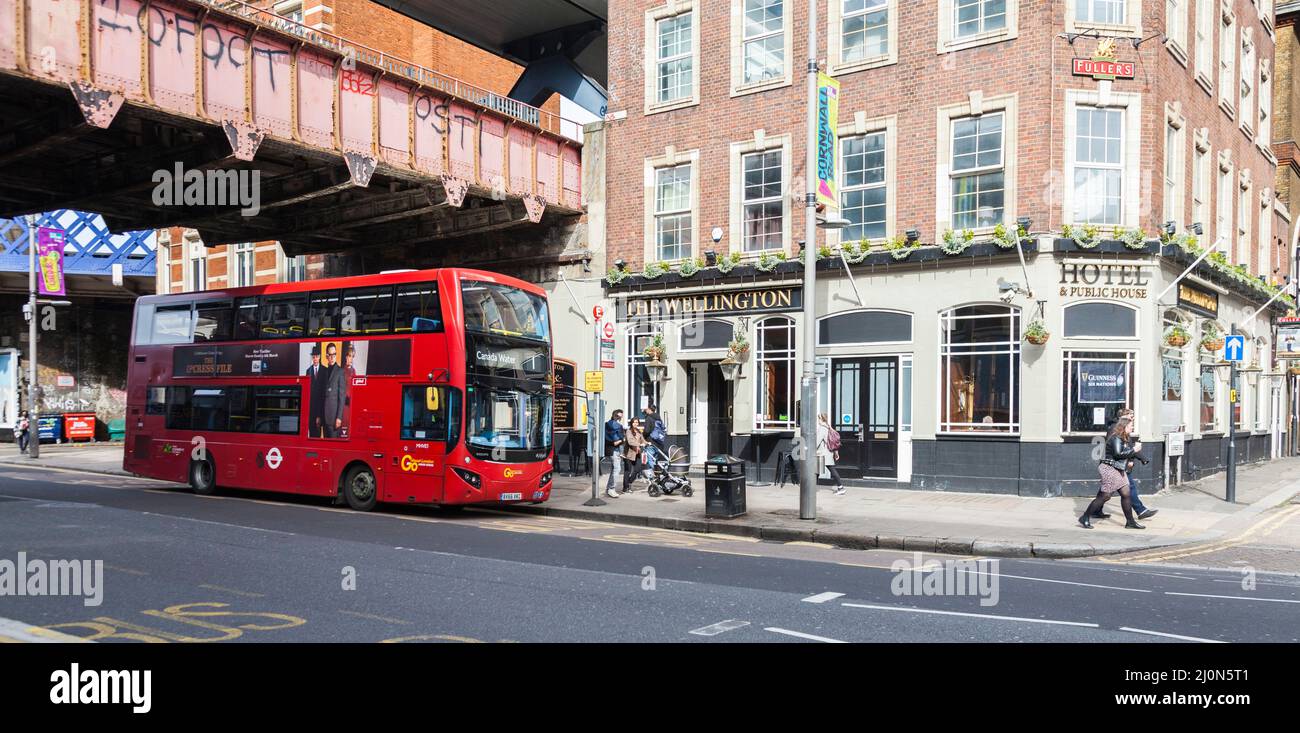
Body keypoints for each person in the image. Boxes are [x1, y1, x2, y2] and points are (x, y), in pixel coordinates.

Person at [1079, 416, 1145, 529]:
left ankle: (1130, 522)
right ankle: (1085, 517)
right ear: (1124, 427)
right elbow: (1118, 454)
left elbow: (1124, 453)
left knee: (1126, 494)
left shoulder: (1124, 437)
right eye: (1130, 426)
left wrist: (1137, 455)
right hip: (1109, 468)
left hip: (1118, 468)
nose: (1132, 427)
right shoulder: (1116, 438)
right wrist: (1135, 450)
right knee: (1105, 496)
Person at [1091, 408, 1157, 521]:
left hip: (1119, 463)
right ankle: (1140, 511)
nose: (1133, 417)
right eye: (1131, 415)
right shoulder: (1116, 428)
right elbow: (1120, 450)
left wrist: (1140, 458)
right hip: (1115, 464)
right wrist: (1132, 458)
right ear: (1124, 416)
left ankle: (1095, 510)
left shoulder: (1123, 428)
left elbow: (1127, 446)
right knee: (1125, 489)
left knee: (1106, 491)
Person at [321, 342, 347, 438]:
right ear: (326, 356)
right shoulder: (324, 371)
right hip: (324, 418)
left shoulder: (340, 371)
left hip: (334, 420)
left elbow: (342, 397)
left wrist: (339, 418)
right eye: (330, 355)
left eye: (334, 354)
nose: (332, 357)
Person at [816, 413, 846, 495]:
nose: (817, 420)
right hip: (829, 453)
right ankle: (813, 489)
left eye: (818, 419)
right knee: (818, 471)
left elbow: (816, 442)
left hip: (822, 453)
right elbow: (834, 442)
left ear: (821, 419)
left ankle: (841, 487)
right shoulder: (829, 427)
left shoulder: (822, 428)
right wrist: (836, 453)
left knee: (823, 471)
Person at [622, 417, 648, 494]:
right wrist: (640, 444)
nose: (636, 423)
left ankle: (629, 482)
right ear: (631, 423)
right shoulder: (628, 431)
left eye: (637, 422)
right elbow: (630, 442)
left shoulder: (639, 431)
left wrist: (647, 443)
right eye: (634, 422)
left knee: (638, 469)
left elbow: (643, 440)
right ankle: (625, 488)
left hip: (637, 453)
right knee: (627, 471)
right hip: (629, 454)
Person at [604, 409, 625, 498]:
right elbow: (618, 440)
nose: (620, 418)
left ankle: (609, 488)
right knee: (617, 469)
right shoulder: (618, 426)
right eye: (619, 416)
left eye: (621, 416)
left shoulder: (606, 424)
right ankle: (611, 489)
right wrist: (622, 440)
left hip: (610, 449)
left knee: (614, 469)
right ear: (615, 416)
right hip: (615, 450)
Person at [641, 403, 666, 477]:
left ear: (649, 409)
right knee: (656, 460)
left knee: (650, 460)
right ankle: (657, 475)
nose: (645, 410)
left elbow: (647, 431)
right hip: (659, 442)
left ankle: (652, 477)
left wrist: (642, 436)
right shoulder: (658, 418)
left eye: (646, 409)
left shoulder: (649, 418)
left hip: (650, 442)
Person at [305, 345, 325, 437]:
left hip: (320, 411)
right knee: (311, 435)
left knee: (318, 436)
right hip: (311, 413)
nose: (315, 359)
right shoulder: (308, 371)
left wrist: (319, 415)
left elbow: (324, 395)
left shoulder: (325, 370)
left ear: (320, 357)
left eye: (317, 356)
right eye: (313, 357)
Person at [339, 344, 357, 439]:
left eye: (352, 356)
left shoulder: (354, 371)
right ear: (346, 357)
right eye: (349, 356)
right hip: (343, 406)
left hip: (350, 406)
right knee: (342, 432)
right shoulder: (341, 371)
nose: (351, 359)